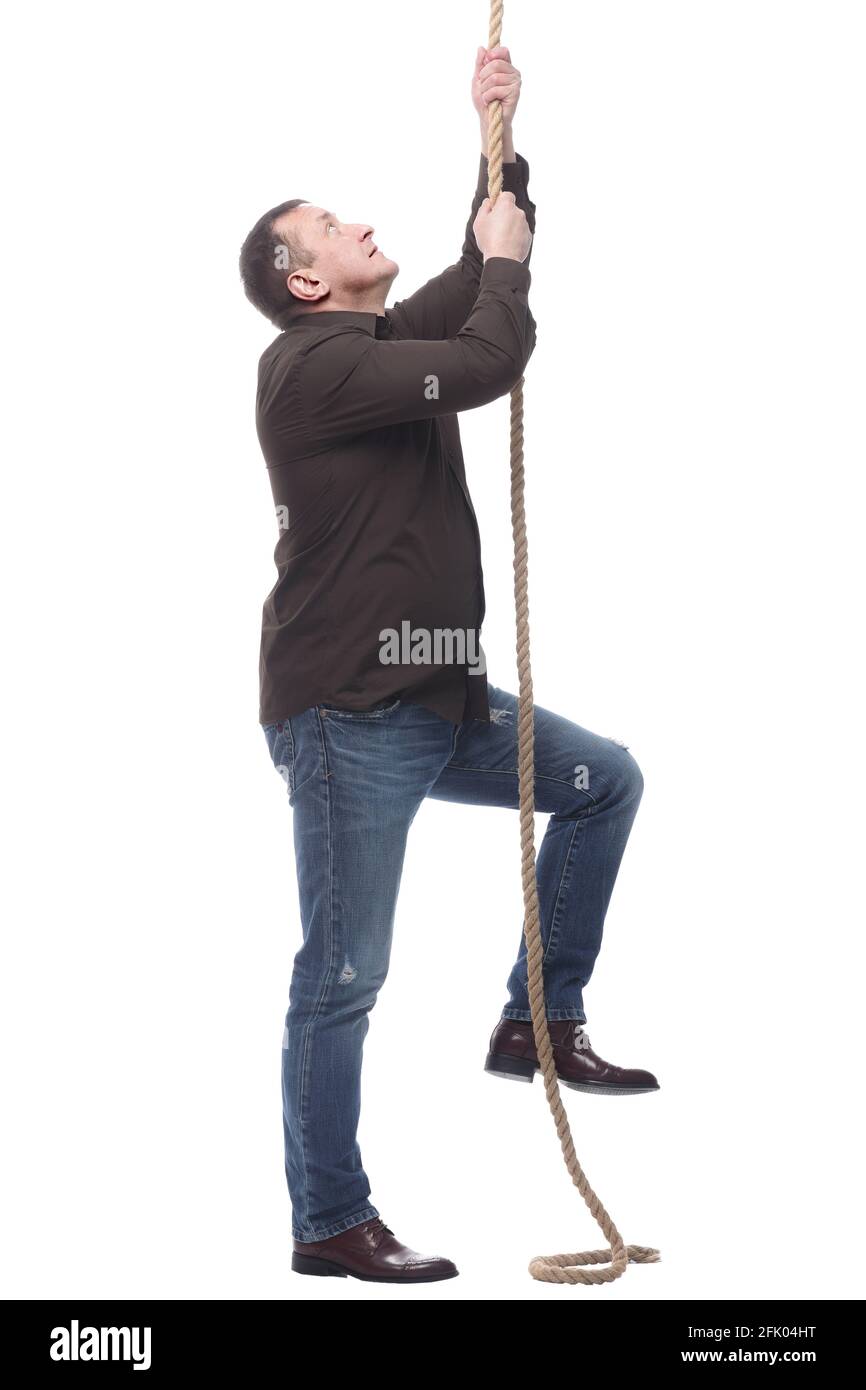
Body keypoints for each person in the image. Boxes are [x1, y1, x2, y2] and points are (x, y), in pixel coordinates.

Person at [238, 45, 659, 1285]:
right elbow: (485, 355)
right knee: (344, 974)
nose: (360, 223)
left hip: (436, 692)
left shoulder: (369, 350)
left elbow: (477, 279)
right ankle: (330, 1222)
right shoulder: (309, 371)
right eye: (332, 223)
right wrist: (506, 273)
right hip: (347, 716)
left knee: (603, 780)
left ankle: (537, 1018)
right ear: (305, 280)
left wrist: (497, 138)